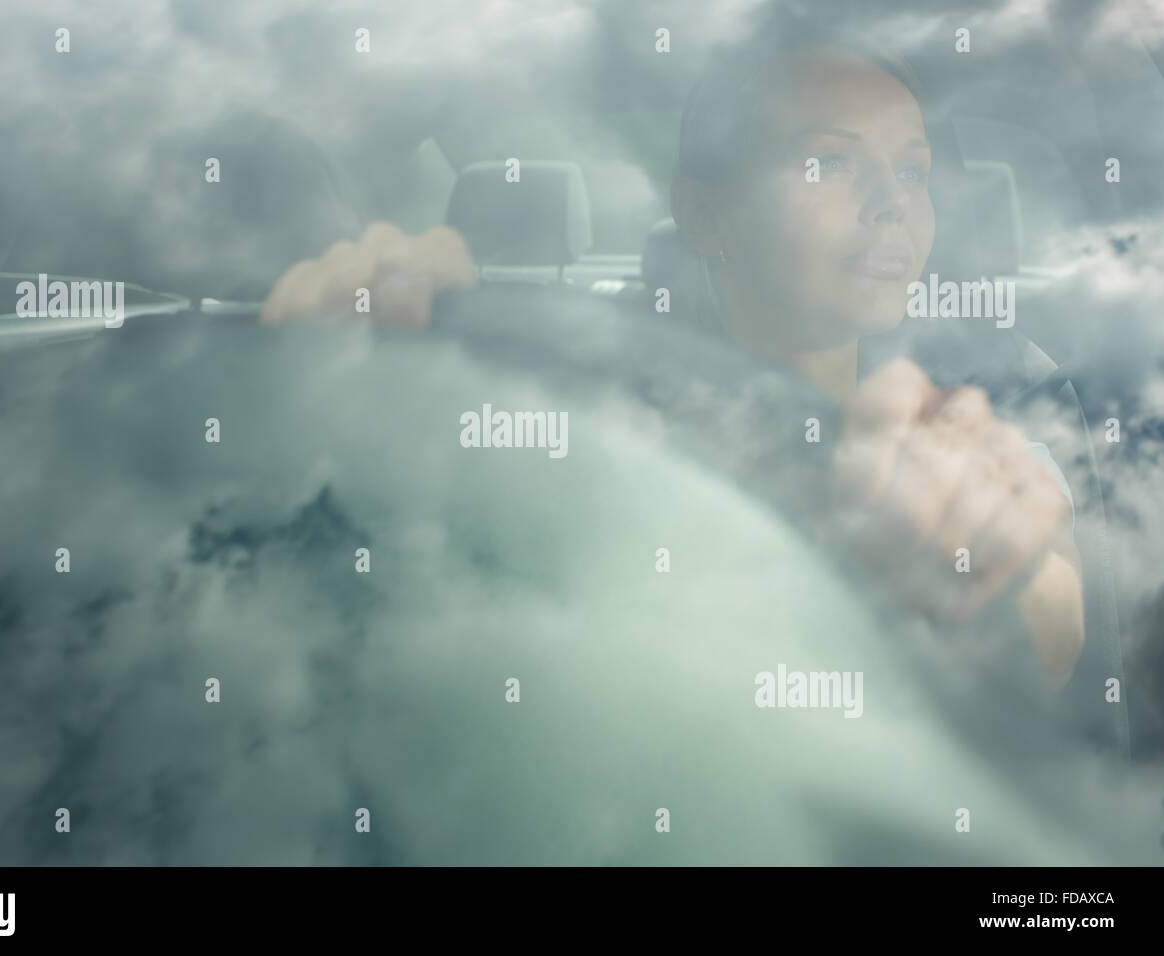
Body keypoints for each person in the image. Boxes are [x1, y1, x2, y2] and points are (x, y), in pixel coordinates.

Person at [259, 24, 1086, 690]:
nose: (891, 204)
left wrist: (973, 581)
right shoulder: (561, 406)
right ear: (703, 217)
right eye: (828, 161)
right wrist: (375, 388)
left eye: (913, 170)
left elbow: (1056, 613)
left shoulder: (987, 421)